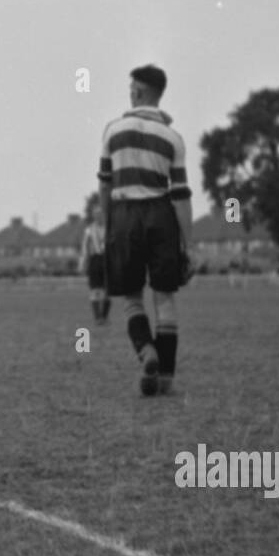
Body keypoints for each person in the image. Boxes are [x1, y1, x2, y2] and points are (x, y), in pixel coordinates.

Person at [99, 64, 193, 396]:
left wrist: (108, 224)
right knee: (164, 297)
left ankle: (145, 351)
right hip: (161, 215)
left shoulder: (112, 131)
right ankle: (165, 376)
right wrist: (189, 244)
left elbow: (105, 185)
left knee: (131, 298)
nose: (129, 90)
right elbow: (181, 196)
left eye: (131, 86)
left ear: (139, 91)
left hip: (124, 214)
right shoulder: (173, 138)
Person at [80, 206, 110, 325]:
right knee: (95, 289)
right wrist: (83, 262)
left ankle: (104, 316)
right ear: (93, 216)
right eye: (96, 214)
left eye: (100, 214)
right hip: (95, 260)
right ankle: (98, 317)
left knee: (107, 290)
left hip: (107, 260)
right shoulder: (89, 230)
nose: (98, 216)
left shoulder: (109, 228)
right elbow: (85, 247)